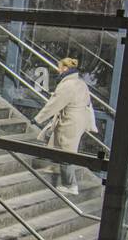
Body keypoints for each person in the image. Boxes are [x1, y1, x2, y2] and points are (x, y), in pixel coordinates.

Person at [33, 57, 97, 196]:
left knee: (67, 153)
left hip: (70, 121)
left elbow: (53, 104)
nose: (58, 70)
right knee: (52, 137)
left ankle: (70, 185)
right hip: (79, 120)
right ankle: (53, 166)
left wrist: (38, 119)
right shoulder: (80, 83)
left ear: (65, 69)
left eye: (60, 67)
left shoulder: (68, 85)